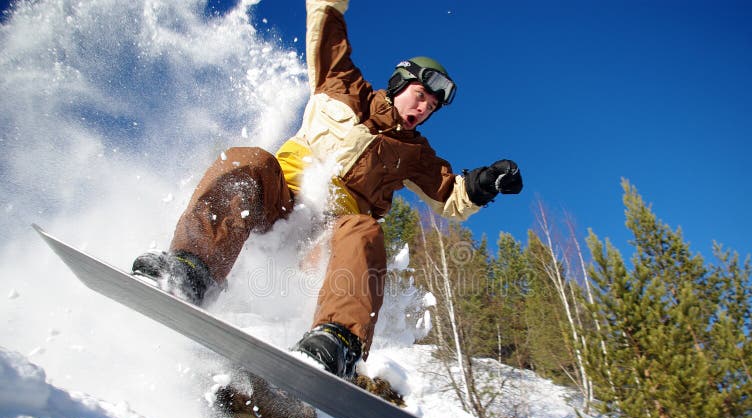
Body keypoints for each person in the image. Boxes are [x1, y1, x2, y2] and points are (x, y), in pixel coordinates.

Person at [132, 0, 523, 380]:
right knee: (248, 160)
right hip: (275, 205)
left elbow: (452, 197)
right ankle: (190, 271)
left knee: (363, 229)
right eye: (421, 96)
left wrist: (487, 182)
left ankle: (336, 342)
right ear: (401, 81)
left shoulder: (415, 154)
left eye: (432, 107)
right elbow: (325, 16)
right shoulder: (340, 82)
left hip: (322, 245)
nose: (423, 109)